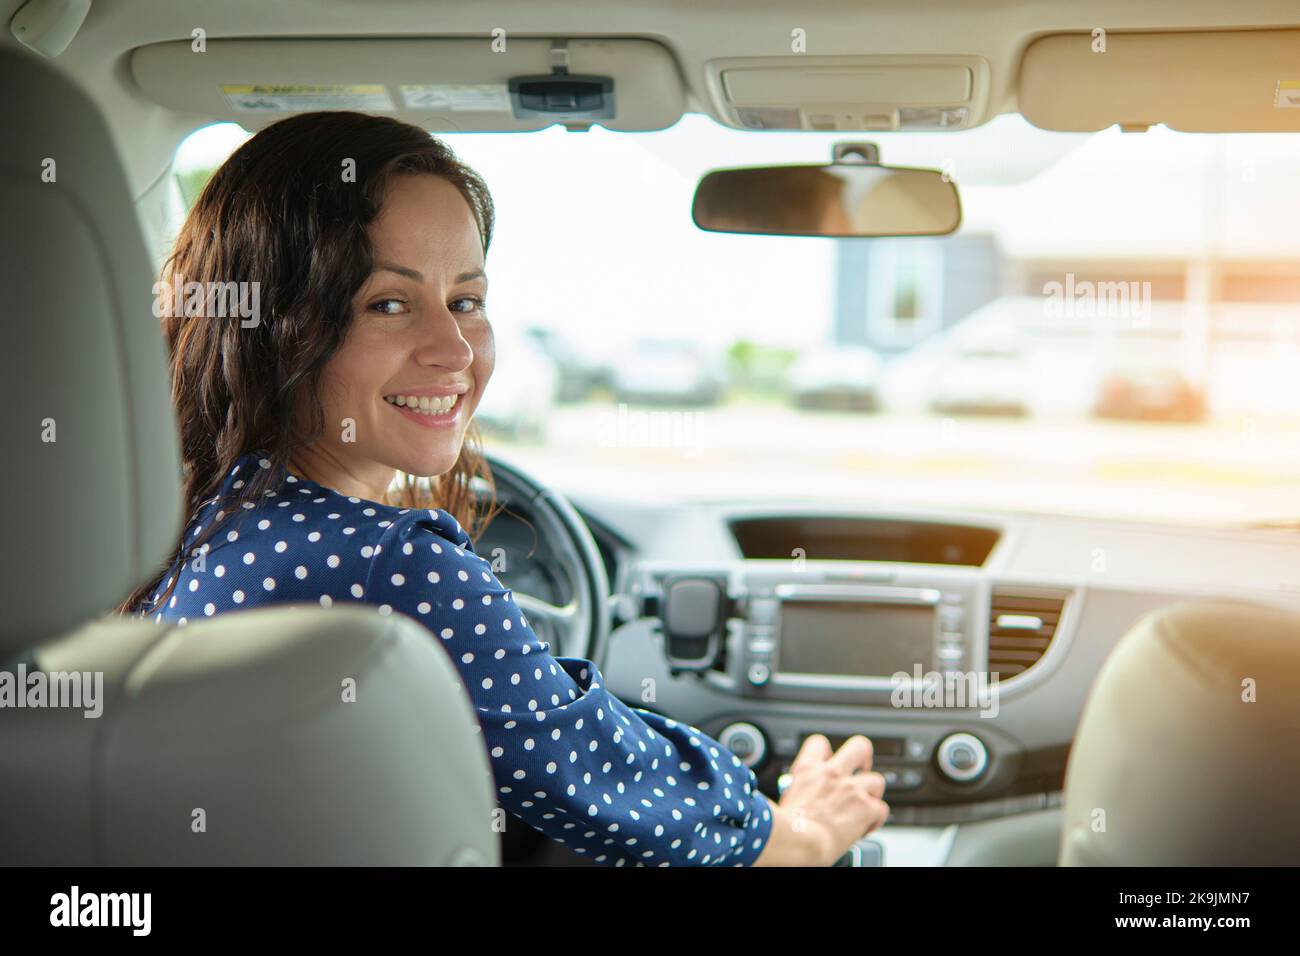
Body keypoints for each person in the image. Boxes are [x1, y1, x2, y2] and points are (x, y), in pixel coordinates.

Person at [121, 111, 889, 866]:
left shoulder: (197, 512)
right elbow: (599, 782)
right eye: (388, 304)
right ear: (276, 325)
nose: (454, 349)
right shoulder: (391, 567)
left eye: (466, 300)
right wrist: (802, 835)